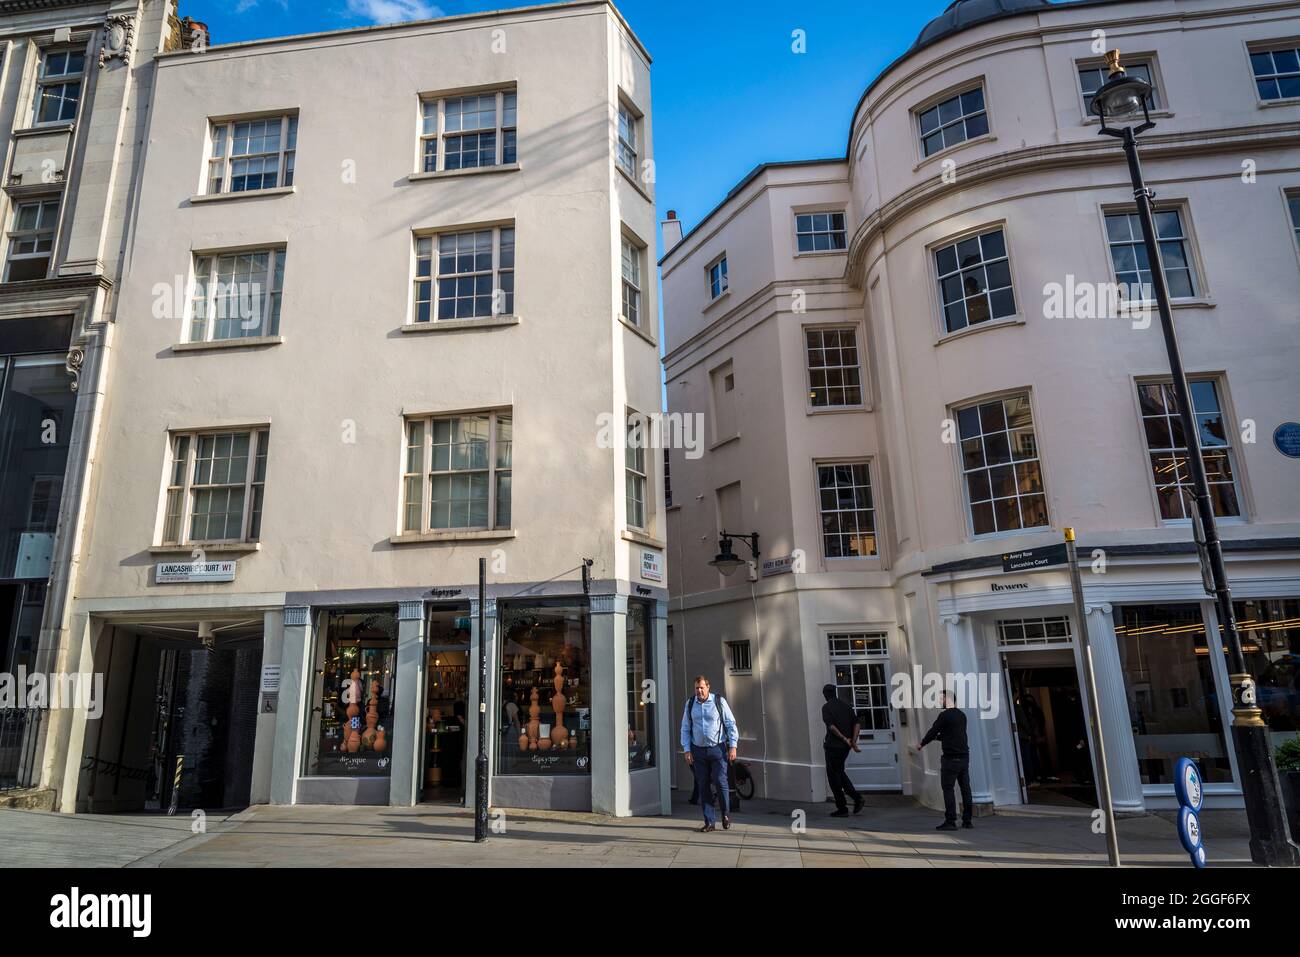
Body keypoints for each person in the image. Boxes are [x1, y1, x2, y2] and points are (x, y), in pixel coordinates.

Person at [680, 675, 738, 832]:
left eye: (702, 688)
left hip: (717, 749)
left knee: (720, 781)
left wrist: (733, 746)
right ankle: (709, 821)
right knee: (703, 784)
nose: (699, 691)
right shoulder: (690, 704)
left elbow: (730, 724)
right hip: (698, 750)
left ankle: (725, 814)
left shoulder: (719, 702)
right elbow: (685, 728)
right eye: (697, 688)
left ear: (708, 687)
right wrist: (687, 749)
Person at [914, 689, 972, 831]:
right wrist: (938, 738)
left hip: (951, 759)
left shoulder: (944, 715)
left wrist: (922, 743)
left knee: (948, 789)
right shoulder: (962, 715)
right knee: (965, 789)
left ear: (948, 699)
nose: (940, 701)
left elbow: (933, 730)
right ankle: (967, 820)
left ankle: (951, 821)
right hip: (964, 757)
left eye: (941, 698)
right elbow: (953, 735)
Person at [821, 684, 864, 817]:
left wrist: (844, 738)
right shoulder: (846, 706)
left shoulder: (826, 707)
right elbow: (857, 723)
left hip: (833, 746)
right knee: (839, 773)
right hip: (845, 748)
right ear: (835, 693)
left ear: (825, 695)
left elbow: (831, 727)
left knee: (833, 777)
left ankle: (843, 807)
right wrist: (853, 741)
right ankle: (856, 799)